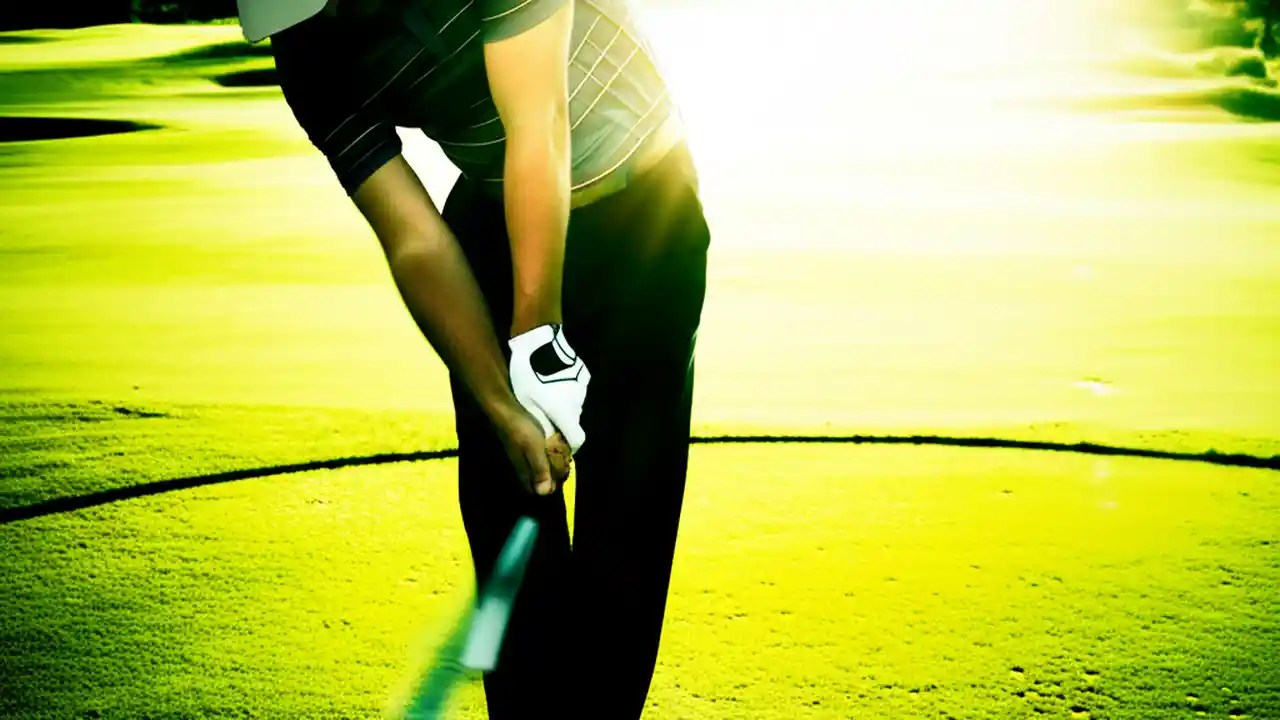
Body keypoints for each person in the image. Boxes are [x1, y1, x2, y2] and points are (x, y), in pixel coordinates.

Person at [235, 0, 710, 717]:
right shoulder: (304, 51)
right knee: (506, 504)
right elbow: (414, 240)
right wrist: (497, 397)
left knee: (625, 524)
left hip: (644, 218)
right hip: (490, 219)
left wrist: (536, 344)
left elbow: (538, 123)